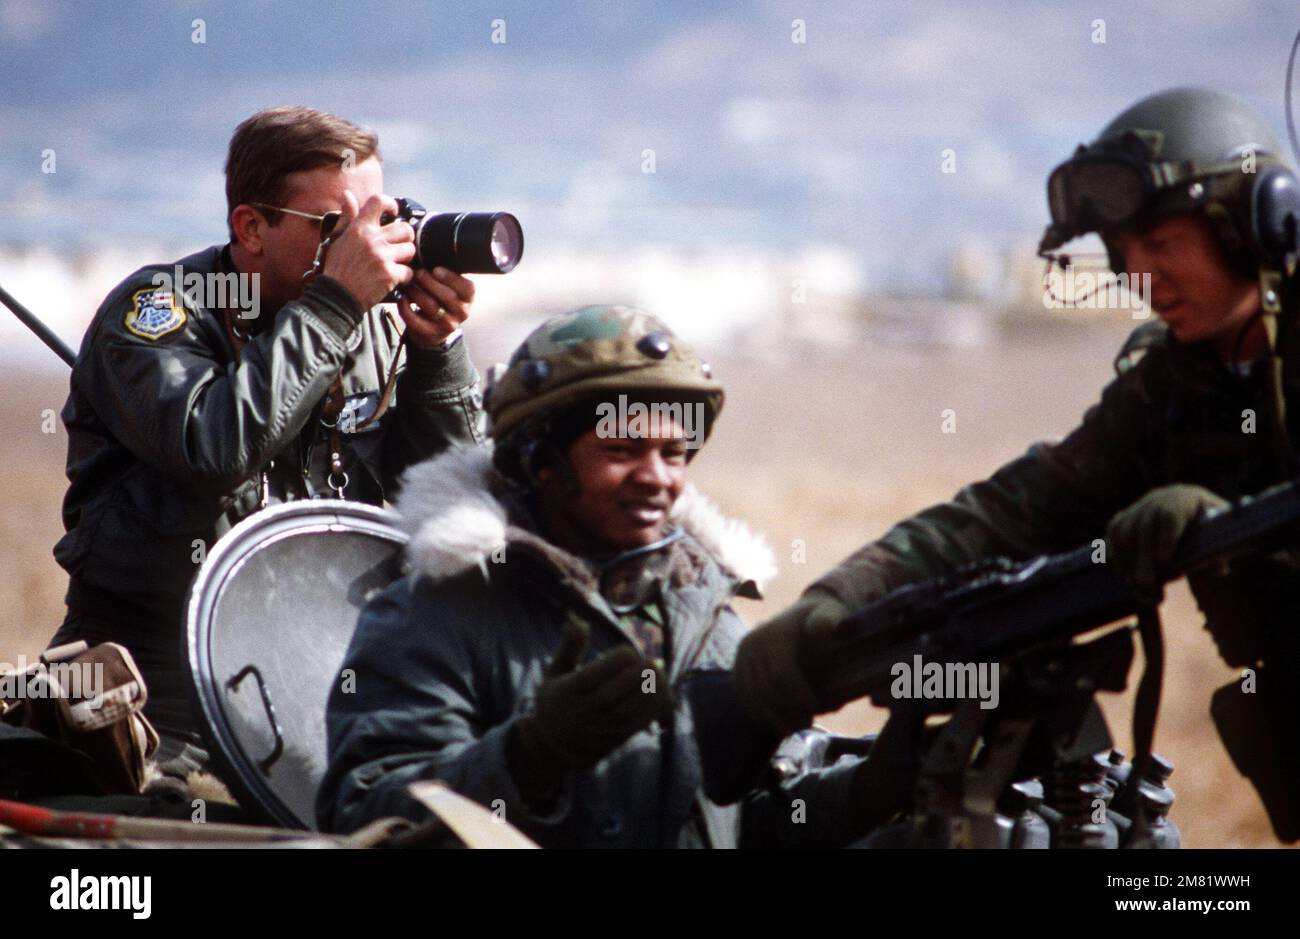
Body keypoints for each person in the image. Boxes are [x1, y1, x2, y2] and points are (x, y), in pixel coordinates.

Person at [731, 88, 1300, 838]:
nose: (1140, 275)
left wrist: (1240, 526)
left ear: (1254, 223)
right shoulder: (1176, 387)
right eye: (1124, 253)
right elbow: (1015, 514)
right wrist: (835, 604)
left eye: (1161, 242)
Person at [317, 305, 904, 847]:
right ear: (540, 462)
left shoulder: (703, 611)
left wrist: (873, 788)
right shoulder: (433, 615)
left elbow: (749, 818)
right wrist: (530, 758)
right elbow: (365, 816)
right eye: (622, 450)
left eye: (673, 453)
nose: (657, 479)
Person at [47, 106, 485, 766]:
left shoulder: (367, 326)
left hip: (311, 668)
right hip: (154, 674)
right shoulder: (159, 314)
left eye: (381, 221)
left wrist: (438, 352)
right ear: (251, 227)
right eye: (338, 228)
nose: (365, 247)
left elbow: (452, 502)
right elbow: (213, 447)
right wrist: (335, 304)